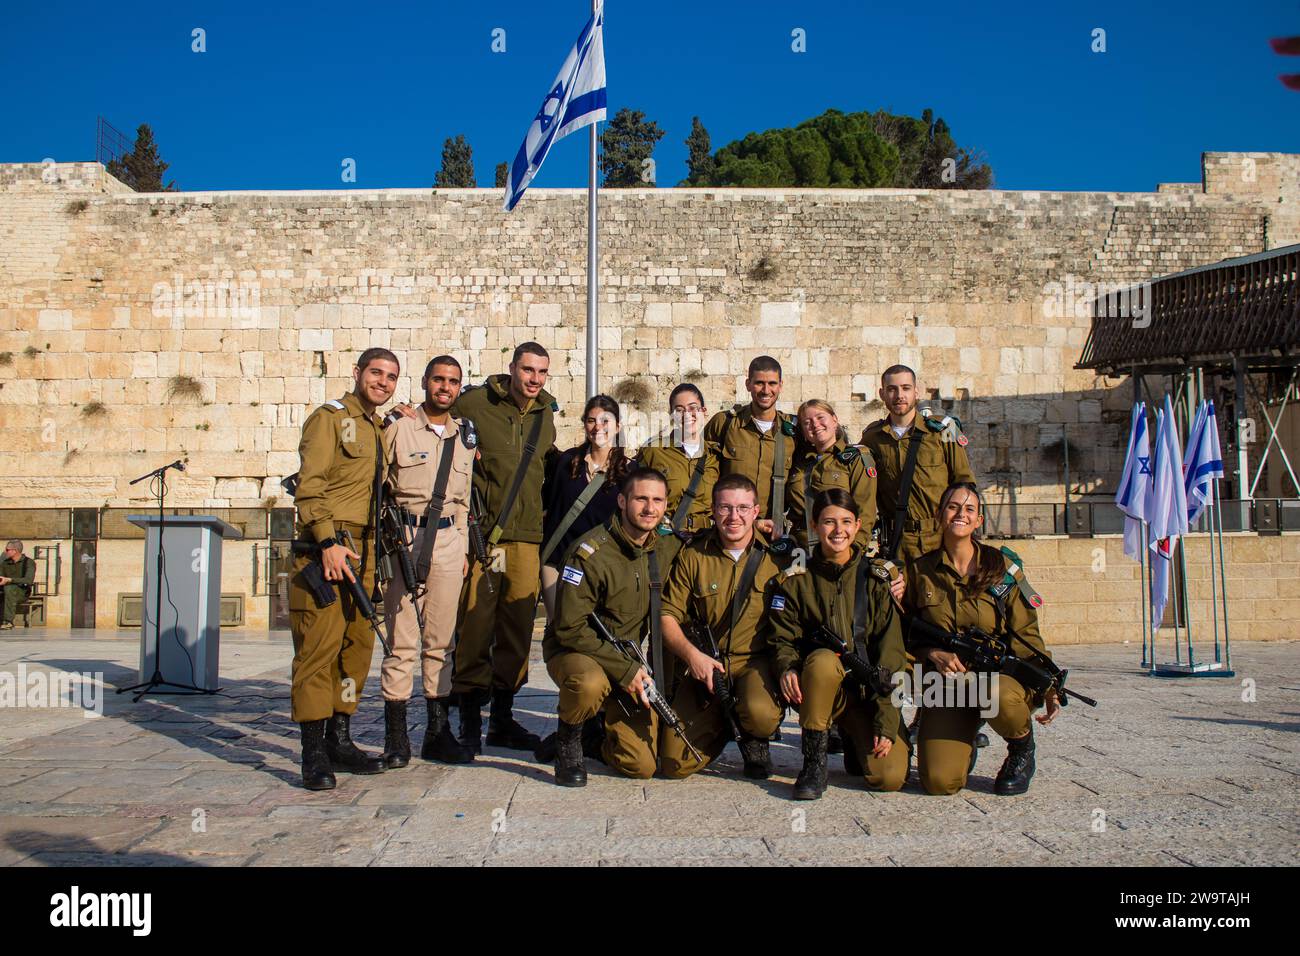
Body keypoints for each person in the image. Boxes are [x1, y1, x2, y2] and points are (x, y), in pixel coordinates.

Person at [901, 482, 1059, 796]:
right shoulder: (921, 572)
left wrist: (1050, 680)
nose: (960, 513)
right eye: (952, 506)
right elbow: (907, 632)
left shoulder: (1002, 570)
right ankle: (966, 740)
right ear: (939, 514)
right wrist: (933, 653)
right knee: (938, 781)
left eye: (969, 509)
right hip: (949, 687)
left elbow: (1027, 634)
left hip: (999, 683)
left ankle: (1021, 749)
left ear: (979, 521)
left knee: (993, 692)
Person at [288, 348, 400, 790]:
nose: (383, 383)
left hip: (367, 549)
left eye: (391, 377)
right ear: (357, 373)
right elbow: (309, 485)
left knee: (355, 650)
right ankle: (312, 752)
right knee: (319, 648)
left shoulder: (377, 427)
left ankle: (341, 737)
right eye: (376, 373)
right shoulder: (329, 419)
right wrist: (327, 540)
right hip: (328, 546)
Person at [765, 489, 909, 800]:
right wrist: (787, 666)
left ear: (858, 525)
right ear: (815, 525)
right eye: (829, 522)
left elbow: (892, 656)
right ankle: (814, 761)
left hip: (867, 692)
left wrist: (886, 720)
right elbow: (782, 637)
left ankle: (856, 739)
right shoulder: (796, 580)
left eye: (846, 521)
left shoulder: (876, 580)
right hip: (820, 688)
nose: (838, 530)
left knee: (889, 778)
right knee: (821, 660)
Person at [450, 342, 557, 755]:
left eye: (541, 372)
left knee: (516, 630)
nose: (533, 379)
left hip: (527, 537)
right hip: (486, 535)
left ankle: (503, 719)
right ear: (512, 368)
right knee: (476, 627)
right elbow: (438, 423)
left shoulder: (546, 414)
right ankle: (468, 723)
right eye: (527, 370)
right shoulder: (475, 403)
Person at [376, 355, 476, 768]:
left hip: (451, 539)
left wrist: (466, 548)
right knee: (401, 642)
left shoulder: (465, 437)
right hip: (406, 537)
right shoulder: (397, 429)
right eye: (439, 379)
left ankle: (437, 733)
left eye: (453, 382)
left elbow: (465, 498)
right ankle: (396, 738)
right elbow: (378, 488)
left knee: (442, 641)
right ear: (425, 382)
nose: (445, 387)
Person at [542, 467, 670, 786]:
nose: (649, 508)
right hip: (576, 651)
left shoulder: (664, 548)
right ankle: (568, 743)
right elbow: (570, 628)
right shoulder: (590, 553)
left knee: (641, 765)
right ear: (622, 501)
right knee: (589, 683)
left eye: (657, 500)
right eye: (640, 499)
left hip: (624, 656)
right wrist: (625, 671)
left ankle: (593, 738)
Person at [657, 475, 785, 779]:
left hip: (755, 663)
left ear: (756, 512)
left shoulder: (779, 558)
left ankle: (754, 734)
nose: (734, 516)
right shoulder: (693, 555)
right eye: (725, 508)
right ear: (713, 511)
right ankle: (725, 724)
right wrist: (692, 656)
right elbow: (666, 614)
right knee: (673, 764)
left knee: (761, 715)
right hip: (706, 666)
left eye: (742, 508)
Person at [860, 365, 976, 566]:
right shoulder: (872, 437)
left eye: (905, 388)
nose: (899, 395)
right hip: (897, 541)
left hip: (938, 538)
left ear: (916, 391)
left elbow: (963, 483)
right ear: (882, 394)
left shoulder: (943, 431)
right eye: (892, 389)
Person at [540, 395, 632, 618]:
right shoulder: (566, 462)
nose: (597, 427)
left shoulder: (630, 473)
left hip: (603, 569)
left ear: (617, 426)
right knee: (559, 634)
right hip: (559, 563)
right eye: (591, 421)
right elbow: (548, 506)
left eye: (605, 421)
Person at [703, 356, 797, 538]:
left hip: (772, 531)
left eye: (772, 383)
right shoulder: (724, 424)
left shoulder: (793, 432)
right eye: (759, 383)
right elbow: (703, 472)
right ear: (748, 384)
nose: (766, 390)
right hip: (730, 528)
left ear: (781, 385)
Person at [785, 400, 879, 553]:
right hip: (800, 550)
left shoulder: (855, 459)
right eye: (807, 422)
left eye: (820, 417)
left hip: (838, 549)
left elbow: (865, 512)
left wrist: (854, 552)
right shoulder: (798, 463)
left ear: (834, 420)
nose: (815, 424)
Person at [637, 383, 719, 544]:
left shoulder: (715, 456)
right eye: (679, 410)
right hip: (665, 541)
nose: (687, 415)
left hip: (706, 542)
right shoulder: (653, 452)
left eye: (693, 408)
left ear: (704, 412)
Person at [0, 540, 36, 630]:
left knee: (9, 588)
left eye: (7, 549)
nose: (5, 551)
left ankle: (8, 622)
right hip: (6, 590)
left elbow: (29, 580)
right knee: (7, 589)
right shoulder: (5, 563)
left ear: (15, 551)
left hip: (22, 592)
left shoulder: (29, 562)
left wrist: (10, 580)